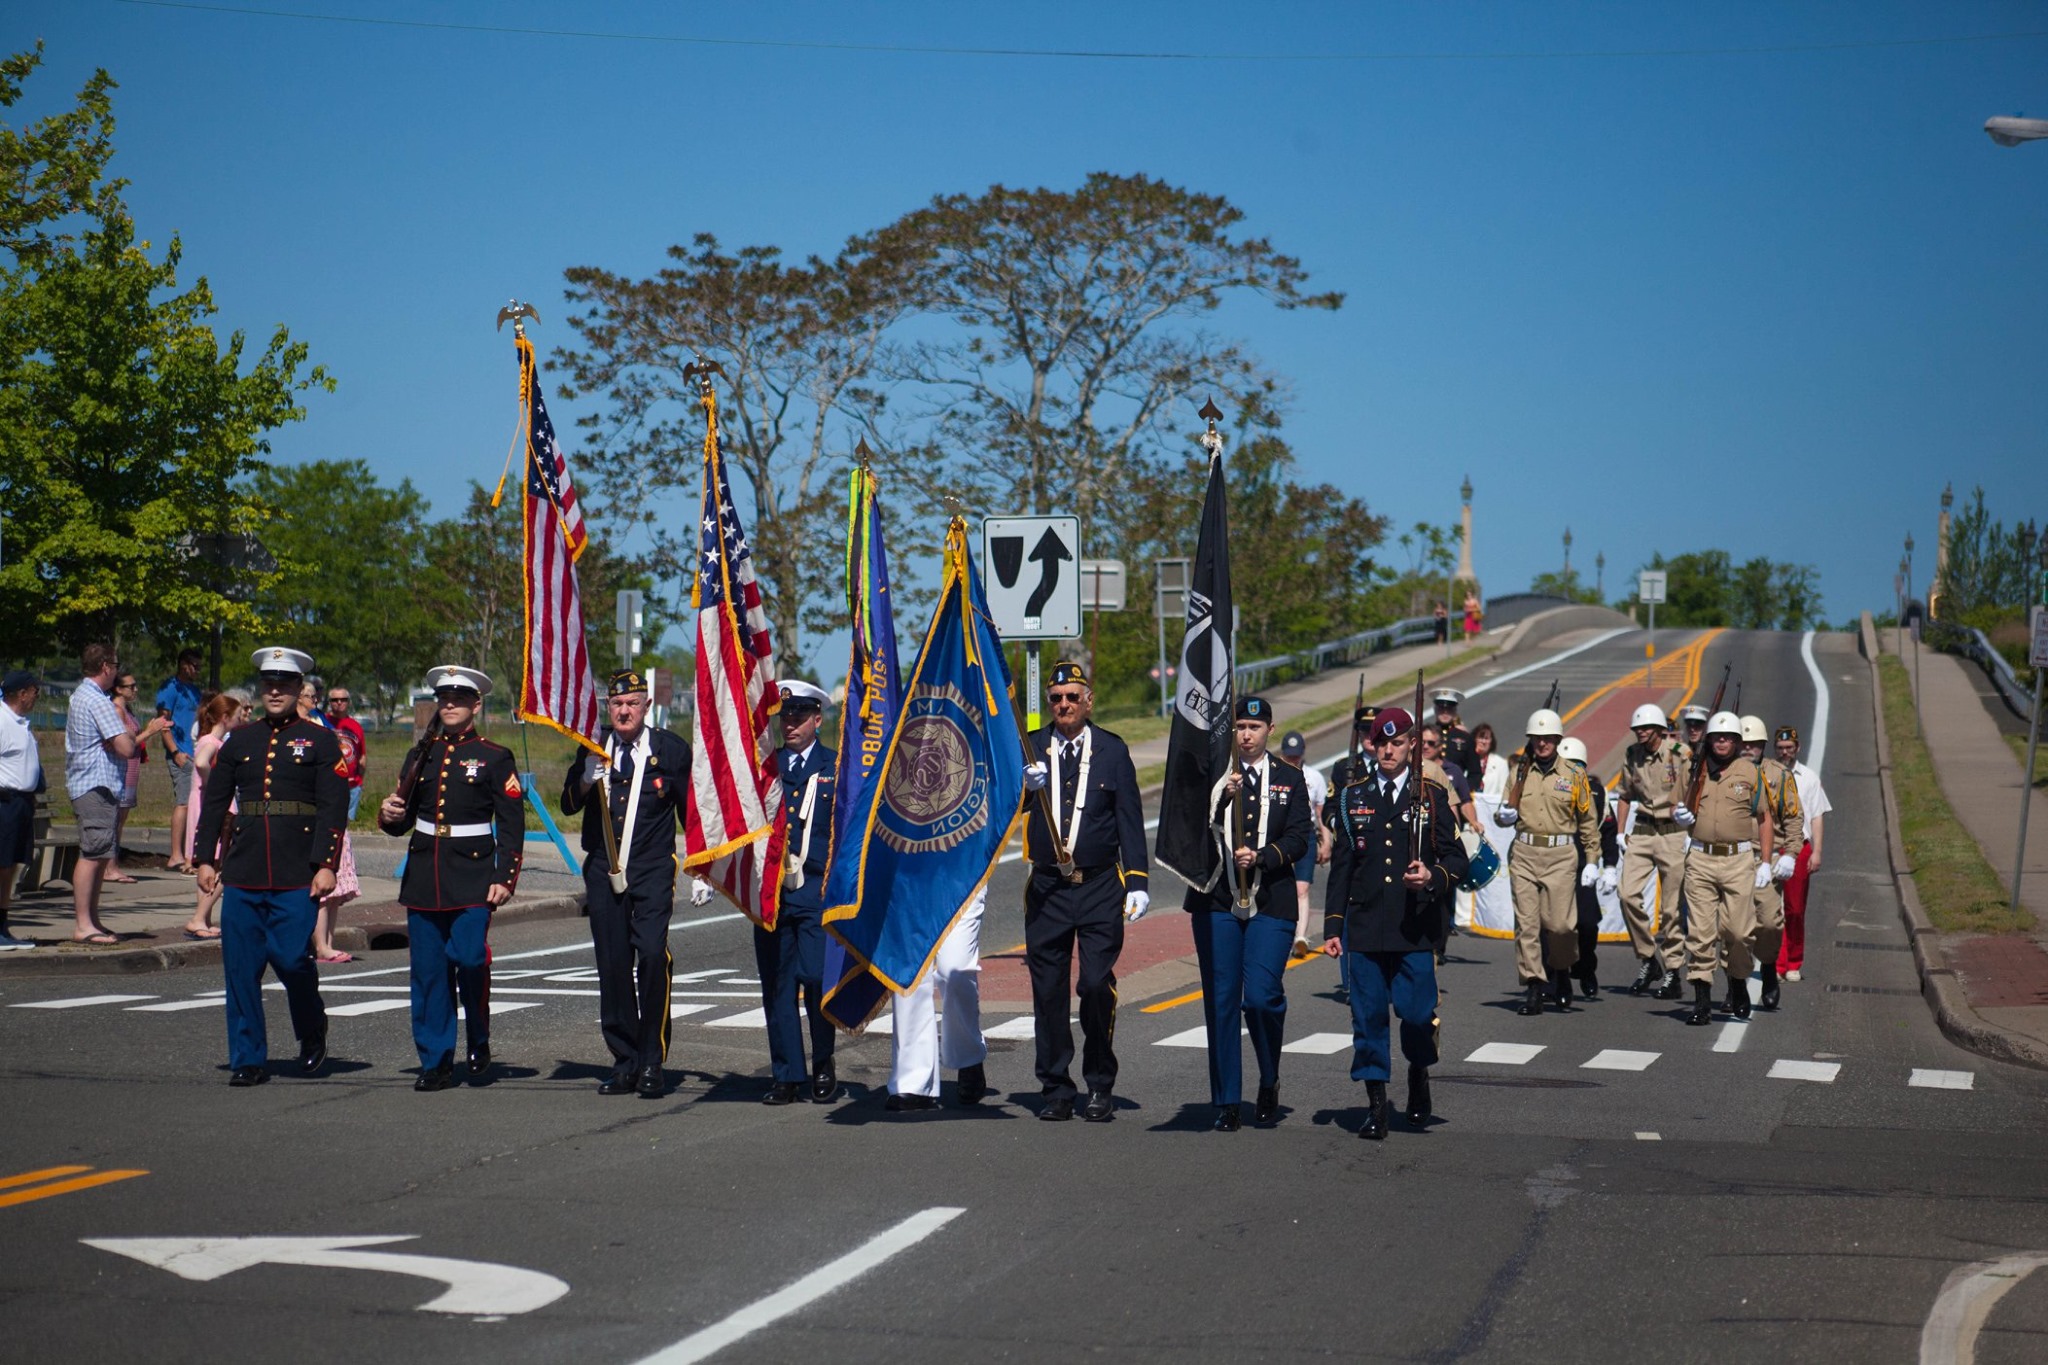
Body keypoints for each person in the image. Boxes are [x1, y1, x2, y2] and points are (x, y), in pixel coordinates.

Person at [193, 647, 346, 1086]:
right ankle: (248, 1058)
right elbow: (215, 804)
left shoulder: (319, 740)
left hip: (297, 870)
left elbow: (333, 808)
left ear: (298, 690)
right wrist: (206, 858)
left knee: (292, 959)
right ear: (261, 690)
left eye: (284, 685)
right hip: (244, 870)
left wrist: (326, 864)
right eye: (268, 684)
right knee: (240, 969)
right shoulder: (239, 741)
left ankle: (312, 1025)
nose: (275, 691)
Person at [1323, 707, 1467, 1139]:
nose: (1389, 749)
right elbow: (1343, 868)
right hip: (1366, 927)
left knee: (1418, 1014)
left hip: (1414, 926)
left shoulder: (1431, 797)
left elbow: (1457, 858)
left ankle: (1419, 1072)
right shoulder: (1353, 798)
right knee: (1367, 1020)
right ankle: (1377, 1106)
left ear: (1410, 746)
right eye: (1381, 743)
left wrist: (1433, 878)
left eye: (1398, 742)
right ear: (1372, 745)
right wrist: (1333, 927)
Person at [378, 666, 523, 1090]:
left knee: (470, 957)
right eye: (444, 698)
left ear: (475, 705)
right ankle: (436, 1060)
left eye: (459, 698)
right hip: (425, 873)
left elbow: (511, 824)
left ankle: (478, 1035)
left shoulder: (495, 756)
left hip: (474, 875)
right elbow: (400, 821)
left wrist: (505, 877)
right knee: (428, 972)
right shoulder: (421, 753)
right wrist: (388, 817)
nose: (450, 705)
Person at [1017, 661, 1149, 1122]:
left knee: (1094, 984)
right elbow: (1005, 808)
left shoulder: (1112, 750)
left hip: (1097, 886)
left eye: (1073, 696)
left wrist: (1137, 881)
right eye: (1056, 698)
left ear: (1088, 700)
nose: (1064, 705)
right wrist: (1023, 786)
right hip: (1049, 888)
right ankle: (1055, 1087)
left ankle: (1099, 1082)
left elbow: (1130, 820)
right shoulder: (1030, 746)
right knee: (1048, 991)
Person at [562, 669, 701, 1098]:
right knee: (613, 965)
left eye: (633, 703)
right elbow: (567, 805)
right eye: (617, 704)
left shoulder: (670, 751)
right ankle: (625, 1061)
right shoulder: (593, 747)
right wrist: (586, 778)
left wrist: (699, 868)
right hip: (605, 868)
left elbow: (690, 813)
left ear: (646, 707)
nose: (625, 711)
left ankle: (652, 1061)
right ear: (609, 707)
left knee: (654, 956)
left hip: (652, 868)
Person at [1184, 695, 1314, 1131]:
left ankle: (1269, 1075)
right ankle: (1226, 1100)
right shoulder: (1216, 775)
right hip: (1217, 898)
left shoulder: (1290, 779)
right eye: (1239, 726)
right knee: (1222, 999)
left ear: (1269, 731)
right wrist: (1221, 797)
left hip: (1270, 900)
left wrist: (1262, 856)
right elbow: (1186, 830)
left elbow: (1299, 837)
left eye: (1254, 728)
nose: (1246, 734)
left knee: (1260, 997)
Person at [757, 680, 838, 1106]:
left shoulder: (834, 766)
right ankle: (787, 1074)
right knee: (778, 985)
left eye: (799, 717)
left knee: (816, 978)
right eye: (785, 717)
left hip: (814, 889)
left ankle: (823, 1062)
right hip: (772, 892)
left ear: (817, 720)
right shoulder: (766, 768)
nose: (790, 724)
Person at [1494, 708, 1600, 1015]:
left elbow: (1588, 820)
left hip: (1560, 856)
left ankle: (1563, 972)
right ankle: (1534, 987)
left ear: (1557, 739)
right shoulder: (1518, 772)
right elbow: (1505, 812)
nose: (1542, 744)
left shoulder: (1574, 775)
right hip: (1525, 853)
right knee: (1527, 926)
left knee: (1561, 927)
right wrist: (1504, 817)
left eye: (1548, 738)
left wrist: (1592, 858)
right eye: (1537, 739)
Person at [65, 643, 172, 945]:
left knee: (100, 854)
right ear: (106, 667)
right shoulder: (98, 701)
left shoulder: (81, 695)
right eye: (115, 664)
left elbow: (121, 742)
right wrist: (126, 737)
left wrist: (120, 738)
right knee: (93, 853)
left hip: (94, 782)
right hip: (95, 784)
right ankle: (84, 924)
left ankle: (92, 920)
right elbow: (126, 747)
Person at [1677, 711, 1776, 1027]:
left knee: (1737, 932)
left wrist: (1766, 863)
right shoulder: (1695, 769)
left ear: (1737, 741)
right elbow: (1675, 803)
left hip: (1738, 860)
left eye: (1729, 737)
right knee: (1701, 934)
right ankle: (1702, 1002)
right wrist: (1680, 816)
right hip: (1701, 859)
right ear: (1708, 739)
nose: (1722, 741)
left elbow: (1764, 819)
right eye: (1717, 737)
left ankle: (1737, 982)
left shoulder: (1749, 772)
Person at [1613, 704, 1692, 999]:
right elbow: (1624, 795)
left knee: (1670, 909)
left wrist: (1691, 829)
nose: (1641, 733)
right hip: (1643, 830)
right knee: (1626, 893)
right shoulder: (1632, 755)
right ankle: (1648, 958)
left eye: (1645, 728)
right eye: (1637, 729)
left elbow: (1696, 791)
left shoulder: (1680, 754)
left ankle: (1673, 971)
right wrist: (1620, 833)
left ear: (1659, 729)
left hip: (1673, 832)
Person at [1736, 715, 1802, 1014]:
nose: (1748, 748)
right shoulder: (1725, 772)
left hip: (1767, 857)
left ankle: (1767, 967)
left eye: (1754, 744)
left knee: (1769, 923)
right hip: (1733, 856)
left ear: (1763, 746)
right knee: (1732, 927)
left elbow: (1793, 817)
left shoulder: (1779, 774)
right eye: (1744, 743)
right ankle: (1735, 983)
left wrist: (1790, 853)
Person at [1557, 736, 1619, 998]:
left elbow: (1608, 831)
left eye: (1577, 765)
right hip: (1555, 864)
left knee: (1587, 923)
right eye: (1567, 764)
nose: (1572, 770)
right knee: (1556, 926)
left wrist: (1609, 867)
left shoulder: (1597, 792)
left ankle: (1585, 967)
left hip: (1585, 866)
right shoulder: (1551, 788)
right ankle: (1558, 978)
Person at [179, 692, 242, 940]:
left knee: (212, 864)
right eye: (237, 717)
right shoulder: (213, 742)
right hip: (213, 806)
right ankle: (199, 916)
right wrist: (216, 782)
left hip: (206, 803)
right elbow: (202, 763)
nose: (239, 721)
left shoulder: (209, 740)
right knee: (223, 864)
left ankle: (202, 918)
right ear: (225, 718)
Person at [1772, 725, 1830, 984]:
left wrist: (1816, 851)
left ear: (1798, 748)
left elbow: (1816, 816)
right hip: (1773, 845)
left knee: (1795, 909)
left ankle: (1793, 962)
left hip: (1801, 848)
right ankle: (1775, 961)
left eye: (1789, 748)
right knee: (1771, 910)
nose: (1785, 752)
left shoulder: (1809, 777)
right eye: (1781, 749)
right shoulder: (1767, 774)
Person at [0, 670, 45, 951]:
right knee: (2, 865)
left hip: (22, 803)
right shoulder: (3, 720)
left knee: (12, 866)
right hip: (5, 802)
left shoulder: (20, 723)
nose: (36, 698)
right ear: (22, 693)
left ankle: (3, 925)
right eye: (35, 692)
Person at [1277, 729, 1329, 958]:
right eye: (1289, 755)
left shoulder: (1314, 777)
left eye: (1296, 755)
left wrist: (1326, 841)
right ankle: (1282, 931)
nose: (1293, 759)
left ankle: (1300, 936)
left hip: (1306, 833)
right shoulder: (1276, 774)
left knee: (1302, 887)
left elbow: (1321, 814)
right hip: (1280, 833)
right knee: (1280, 885)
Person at [155, 648, 202, 873]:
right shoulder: (170, 688)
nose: (197, 670)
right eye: (194, 665)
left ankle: (189, 853)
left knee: (193, 804)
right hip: (181, 754)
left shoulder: (194, 690)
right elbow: (163, 723)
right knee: (183, 802)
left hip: (194, 753)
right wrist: (175, 752)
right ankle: (175, 855)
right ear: (183, 664)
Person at [107, 671, 147, 883]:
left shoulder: (127, 710)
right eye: (131, 686)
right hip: (122, 767)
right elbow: (126, 741)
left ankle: (113, 864)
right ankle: (110, 867)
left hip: (131, 769)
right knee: (115, 819)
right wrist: (151, 731)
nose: (135, 689)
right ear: (118, 689)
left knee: (120, 820)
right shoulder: (116, 710)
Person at [324, 685, 368, 822]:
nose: (339, 702)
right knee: (330, 823)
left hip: (352, 784)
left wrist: (359, 779)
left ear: (348, 702)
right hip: (328, 783)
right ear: (329, 702)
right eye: (335, 699)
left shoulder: (355, 726)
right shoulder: (322, 722)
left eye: (343, 699)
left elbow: (362, 755)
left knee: (347, 825)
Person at [1432, 689, 1478, 786]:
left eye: (1449, 709)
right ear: (1435, 710)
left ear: (1455, 711)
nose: (1445, 713)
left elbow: (1475, 773)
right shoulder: (1425, 735)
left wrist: (1463, 791)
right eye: (1441, 709)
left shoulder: (1465, 737)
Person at [1471, 722, 1510, 802]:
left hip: (1491, 809)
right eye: (1480, 738)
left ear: (1491, 742)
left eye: (1486, 738)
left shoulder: (1500, 763)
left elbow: (1504, 793)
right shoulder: (1466, 760)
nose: (1483, 742)